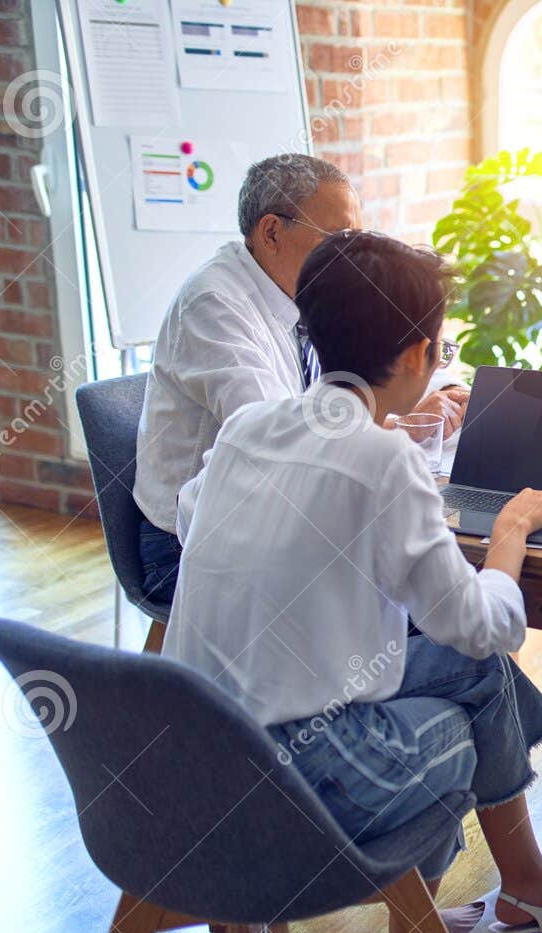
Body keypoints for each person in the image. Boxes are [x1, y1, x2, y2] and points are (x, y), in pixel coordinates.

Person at [163, 231, 542, 933]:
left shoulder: (250, 427)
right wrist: (509, 531)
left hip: (192, 755)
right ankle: (442, 918)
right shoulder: (383, 460)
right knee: (471, 692)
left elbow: (194, 517)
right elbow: (487, 625)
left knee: (466, 674)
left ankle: (510, 893)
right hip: (294, 788)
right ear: (418, 353)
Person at [134, 154, 468, 605]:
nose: (349, 254)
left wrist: (443, 389)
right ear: (271, 232)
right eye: (338, 238)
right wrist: (403, 427)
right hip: (192, 547)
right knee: (423, 596)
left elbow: (384, 357)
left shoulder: (315, 288)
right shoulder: (213, 305)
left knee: (423, 579)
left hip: (291, 523)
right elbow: (281, 443)